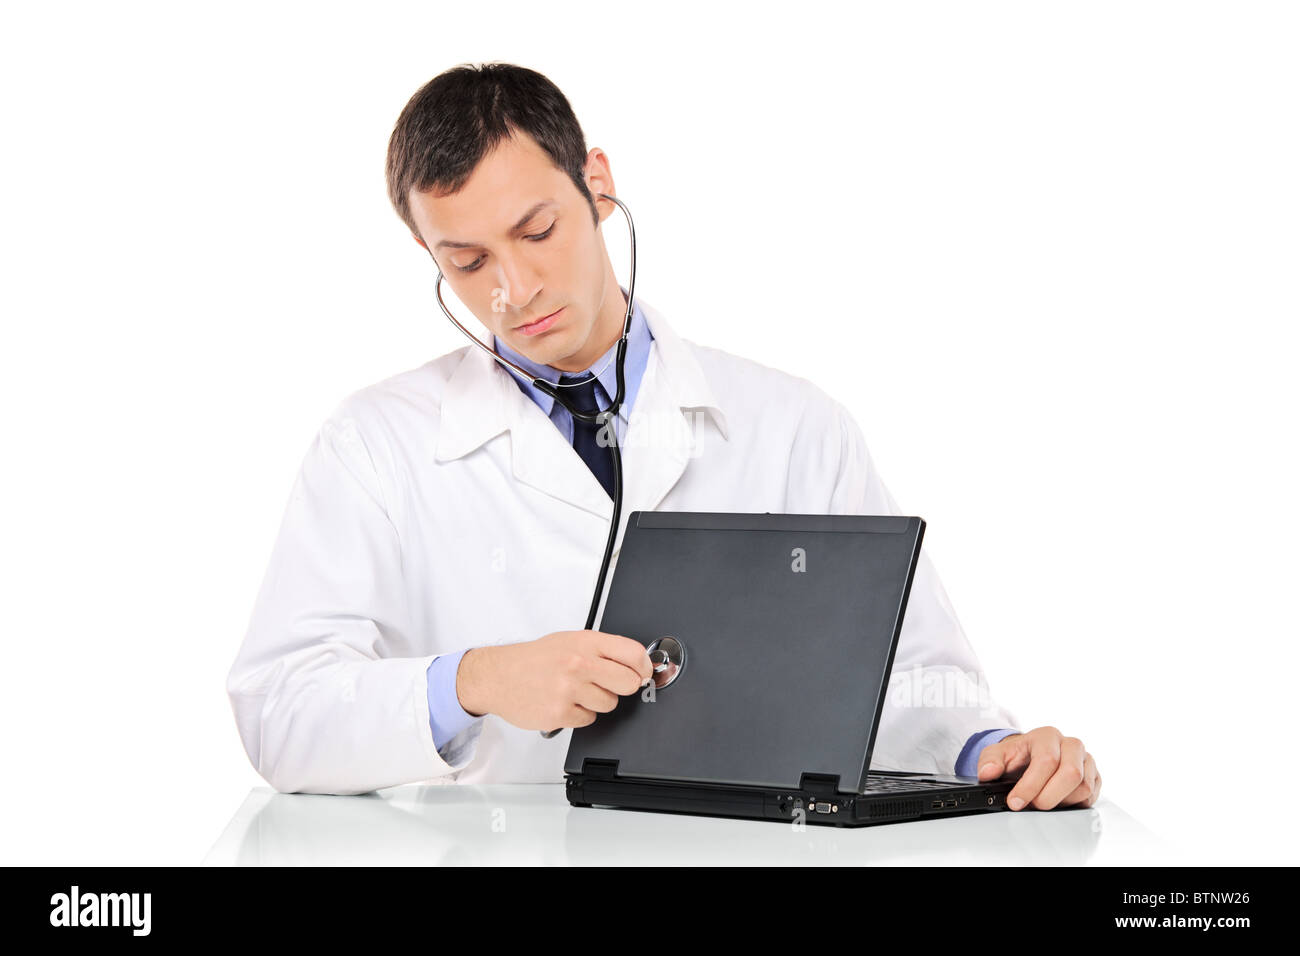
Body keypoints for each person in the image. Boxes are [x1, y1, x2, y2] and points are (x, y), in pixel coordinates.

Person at [226, 62, 1101, 813]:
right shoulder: (375, 445)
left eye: (538, 231)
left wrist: (991, 748)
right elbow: (278, 711)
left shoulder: (793, 425)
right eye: (468, 262)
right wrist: (474, 681)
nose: (515, 289)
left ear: (598, 185)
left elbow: (909, 672)